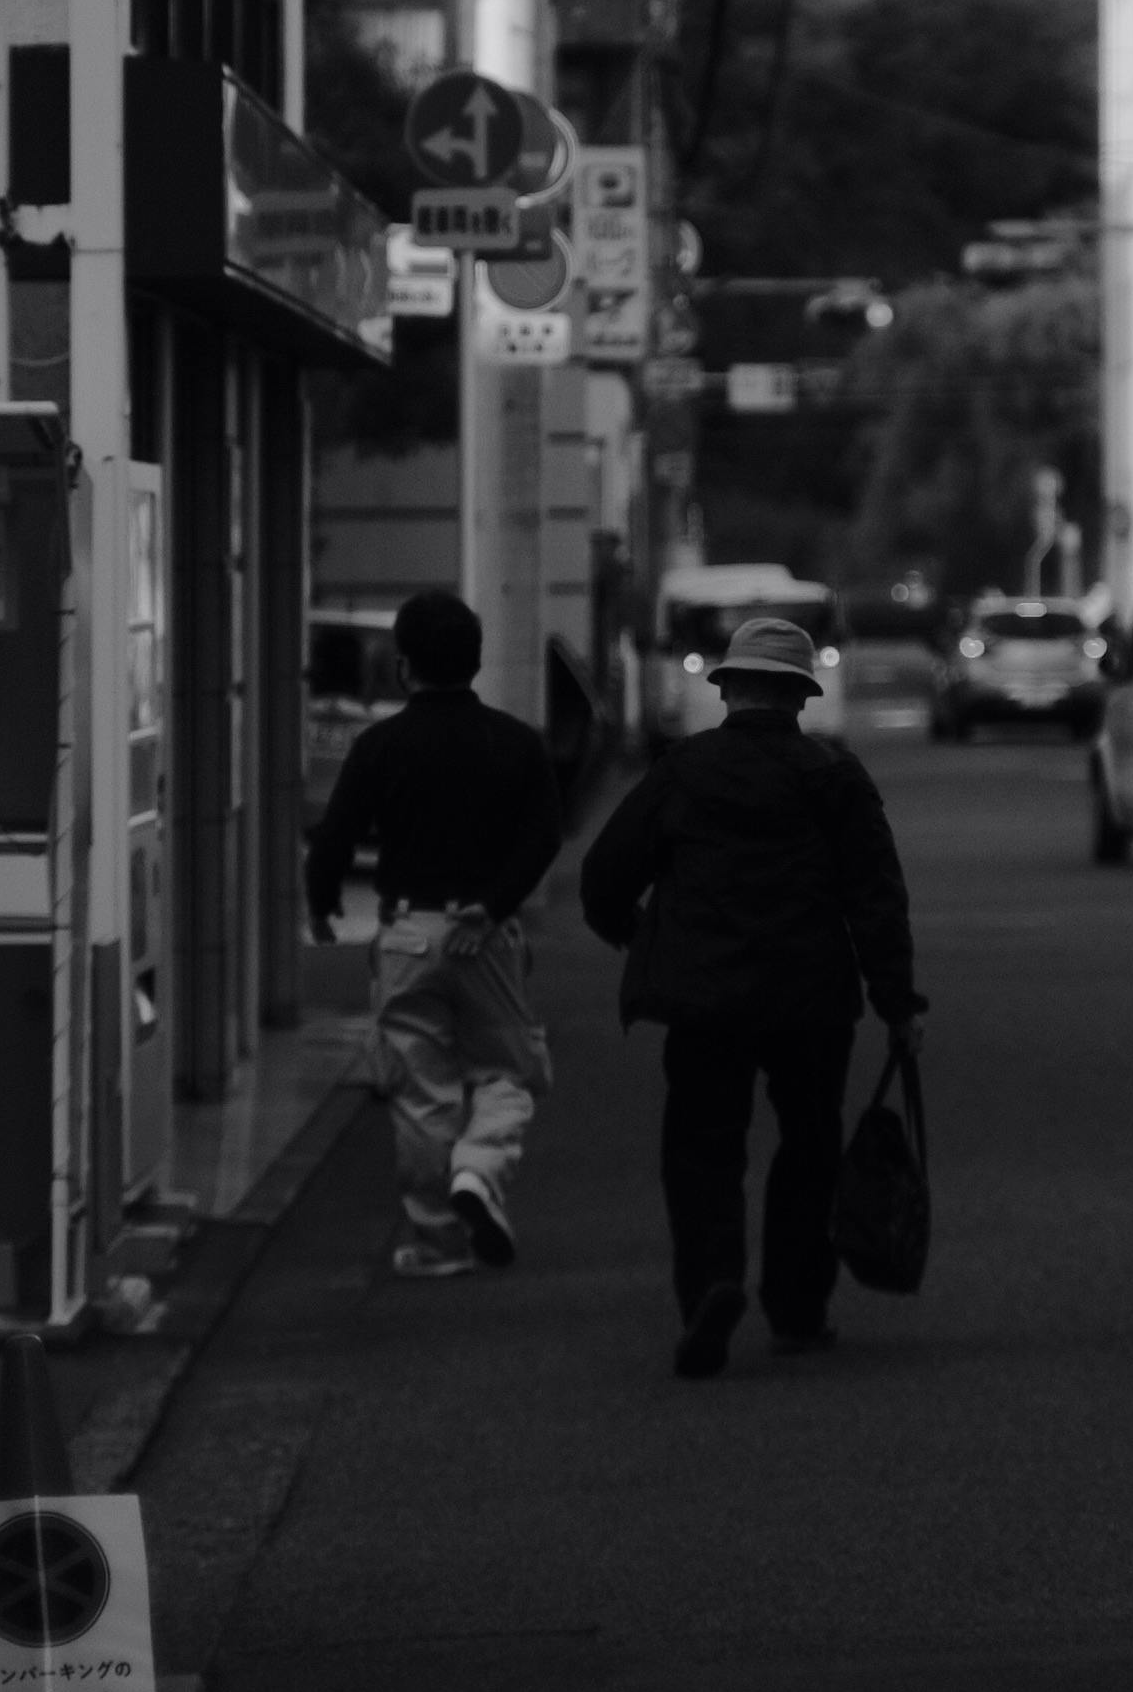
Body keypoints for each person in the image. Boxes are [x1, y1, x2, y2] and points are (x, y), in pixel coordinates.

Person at [580, 613, 924, 1381]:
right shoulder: (833, 775)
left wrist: (634, 935)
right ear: (801, 696)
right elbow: (876, 898)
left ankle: (712, 1283)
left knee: (702, 1147)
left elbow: (604, 876)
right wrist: (898, 1002)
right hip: (811, 998)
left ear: (729, 687)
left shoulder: (682, 771)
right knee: (809, 1148)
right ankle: (798, 1310)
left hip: (705, 999)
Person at [304, 585, 564, 1279]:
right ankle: (478, 1170)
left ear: (404, 666)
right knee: (507, 1071)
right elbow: (545, 835)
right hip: (487, 932)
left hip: (407, 932)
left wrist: (321, 905)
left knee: (420, 1089)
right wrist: (497, 901)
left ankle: (436, 1240)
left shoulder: (380, 745)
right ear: (476, 662)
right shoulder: (517, 744)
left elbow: (334, 839)